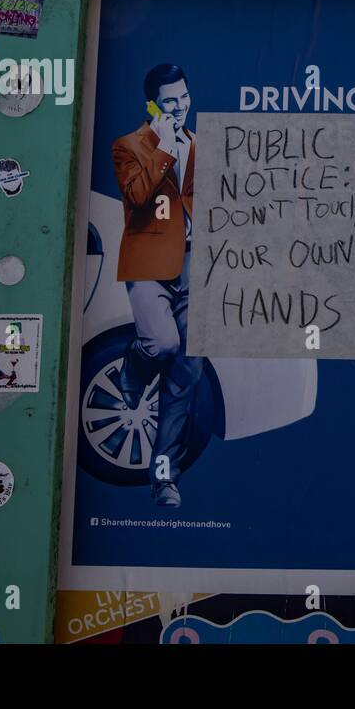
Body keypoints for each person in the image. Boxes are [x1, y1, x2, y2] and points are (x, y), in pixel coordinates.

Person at [111, 63, 204, 508]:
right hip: (149, 263)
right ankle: (132, 371)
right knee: (162, 342)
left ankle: (165, 478)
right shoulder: (129, 146)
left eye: (184, 97)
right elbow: (136, 198)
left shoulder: (198, 146)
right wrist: (164, 149)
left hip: (193, 266)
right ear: (152, 104)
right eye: (170, 101)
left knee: (186, 376)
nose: (181, 106)